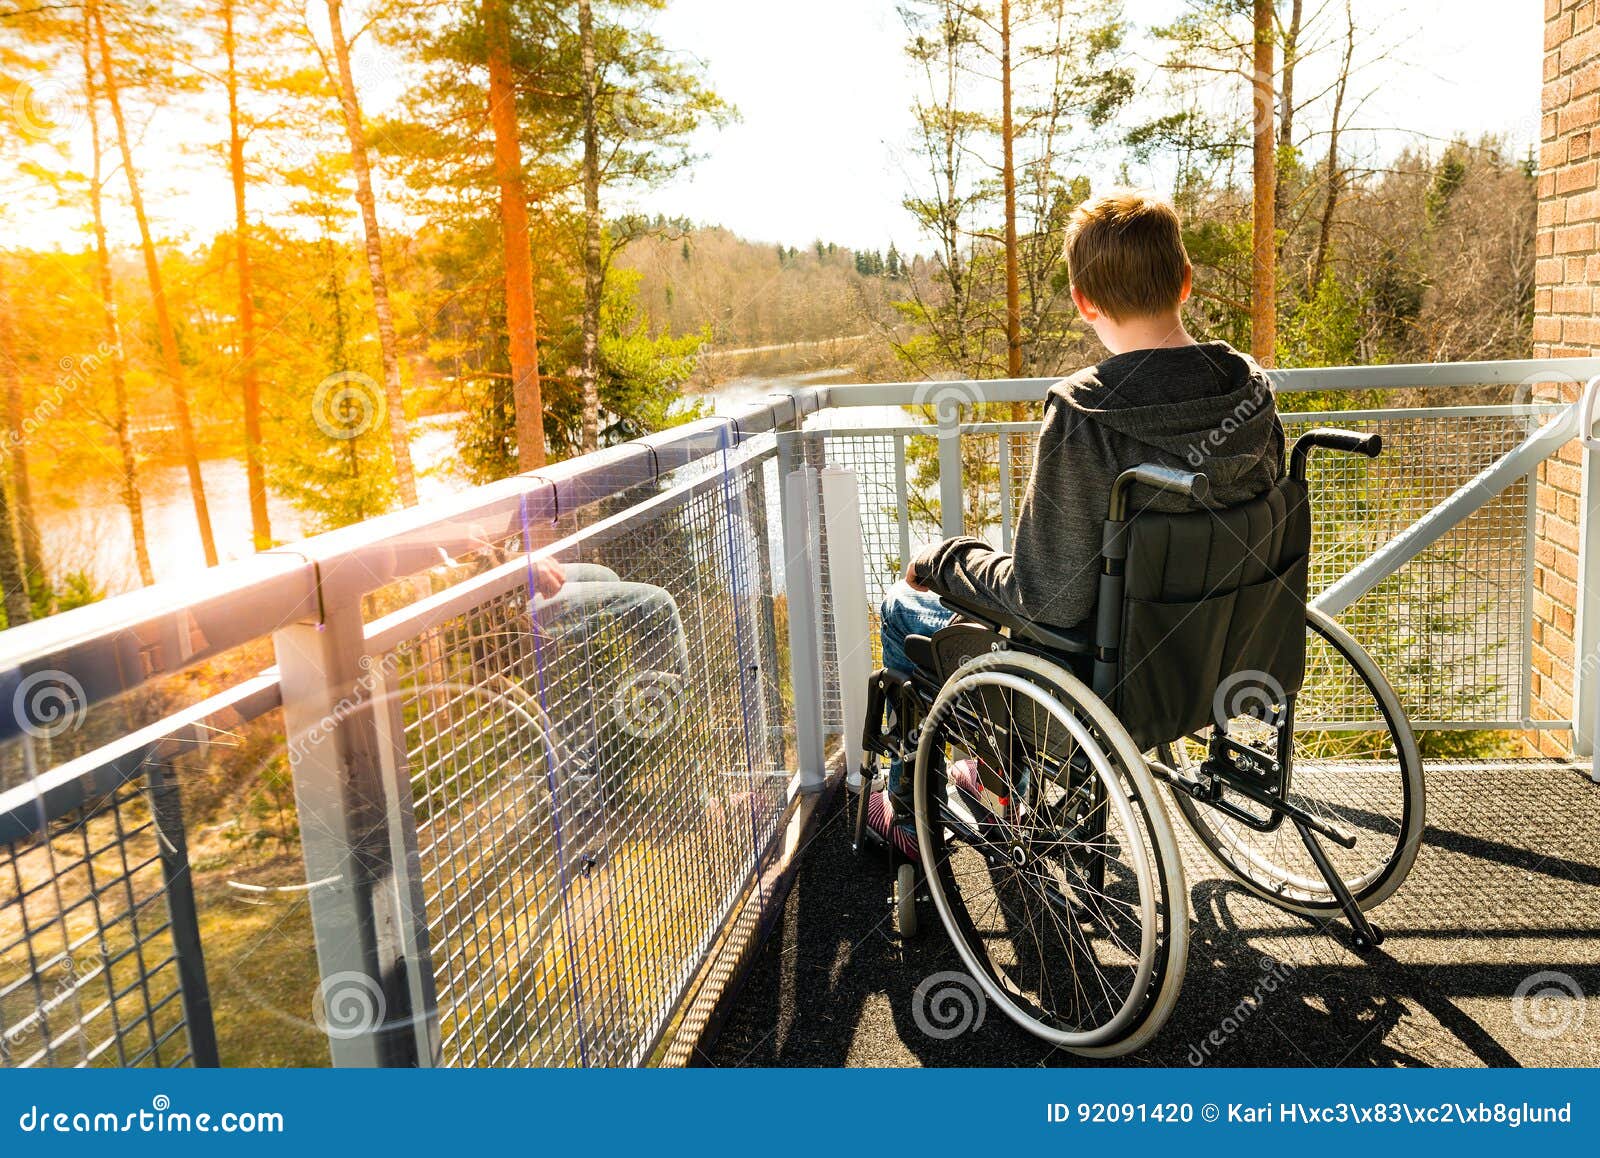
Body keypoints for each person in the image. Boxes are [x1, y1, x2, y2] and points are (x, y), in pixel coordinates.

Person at [879, 189, 1285, 803]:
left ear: (1082, 300)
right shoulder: (1249, 391)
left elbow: (1048, 600)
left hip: (1103, 682)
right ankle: (994, 781)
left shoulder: (1084, 414)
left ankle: (918, 814)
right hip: (1227, 655)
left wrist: (942, 562)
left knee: (900, 608)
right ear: (1185, 281)